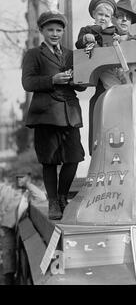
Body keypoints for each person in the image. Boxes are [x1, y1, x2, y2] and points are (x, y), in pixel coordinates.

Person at [21, 11, 85, 220]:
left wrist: (75, 79)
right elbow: (28, 82)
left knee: (74, 158)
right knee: (49, 161)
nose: (55, 33)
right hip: (46, 113)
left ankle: (62, 196)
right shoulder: (33, 54)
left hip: (69, 113)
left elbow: (82, 87)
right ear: (42, 31)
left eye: (58, 30)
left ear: (63, 31)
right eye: (50, 30)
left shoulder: (71, 54)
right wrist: (52, 80)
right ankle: (53, 203)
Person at [87, 0, 136, 155]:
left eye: (128, 17)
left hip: (132, 103)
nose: (124, 19)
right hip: (104, 99)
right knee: (103, 149)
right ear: (112, 19)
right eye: (120, 15)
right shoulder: (98, 38)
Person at [0, 172, 47, 285]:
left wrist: (28, 185)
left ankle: (14, 277)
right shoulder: (7, 188)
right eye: (18, 177)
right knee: (8, 252)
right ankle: (8, 279)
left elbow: (42, 197)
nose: (19, 180)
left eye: (22, 177)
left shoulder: (28, 192)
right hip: (6, 227)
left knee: (16, 253)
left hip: (19, 226)